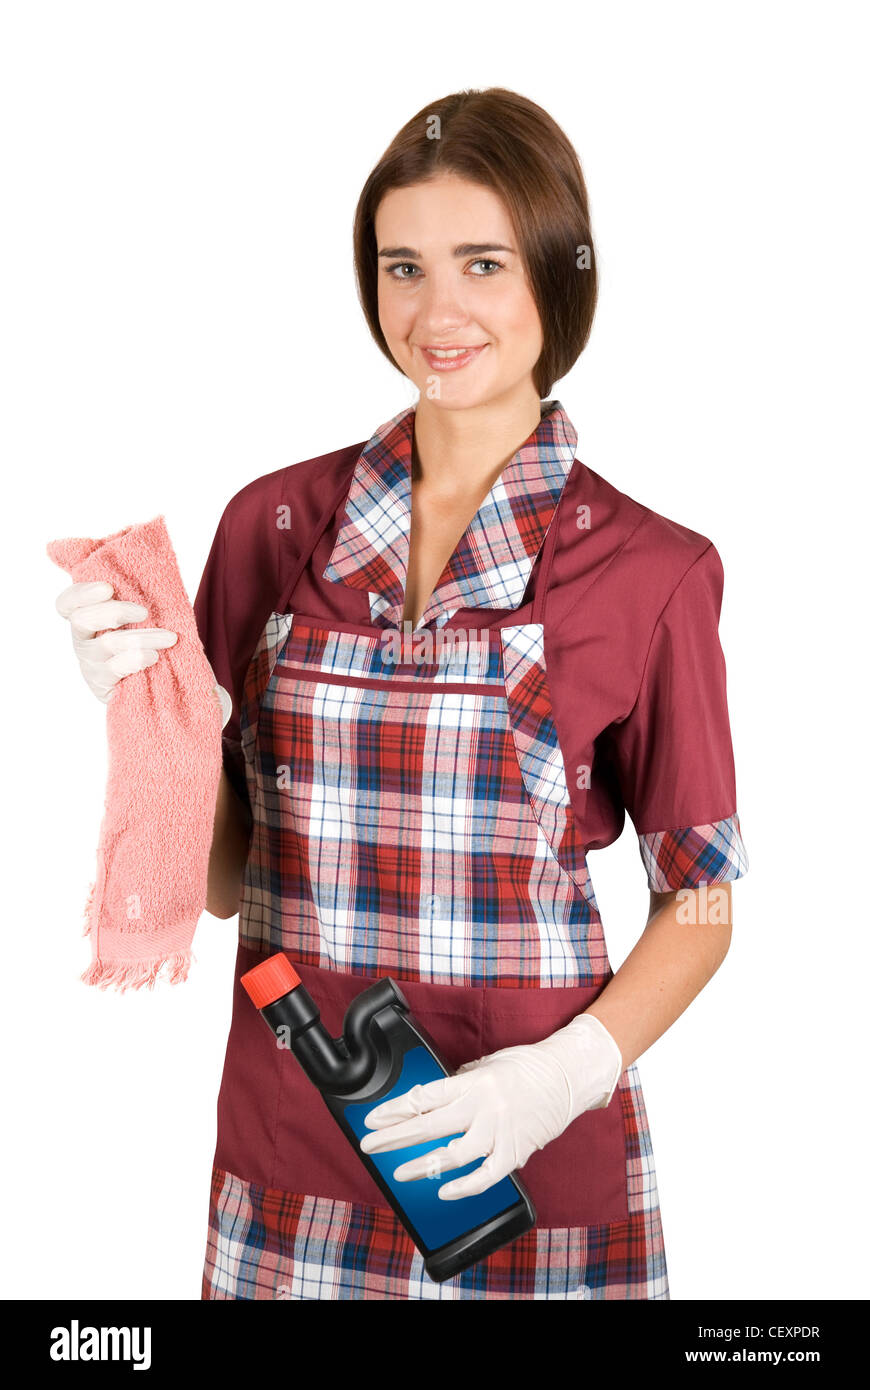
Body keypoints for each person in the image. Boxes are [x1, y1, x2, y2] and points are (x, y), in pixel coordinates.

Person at [56, 86, 748, 1300]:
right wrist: (148, 712)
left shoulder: (652, 569)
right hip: (295, 1169)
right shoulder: (274, 530)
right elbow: (227, 880)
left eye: (483, 262)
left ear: (555, 272)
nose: (438, 312)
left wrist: (556, 1079)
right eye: (402, 266)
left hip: (532, 1179)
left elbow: (703, 901)